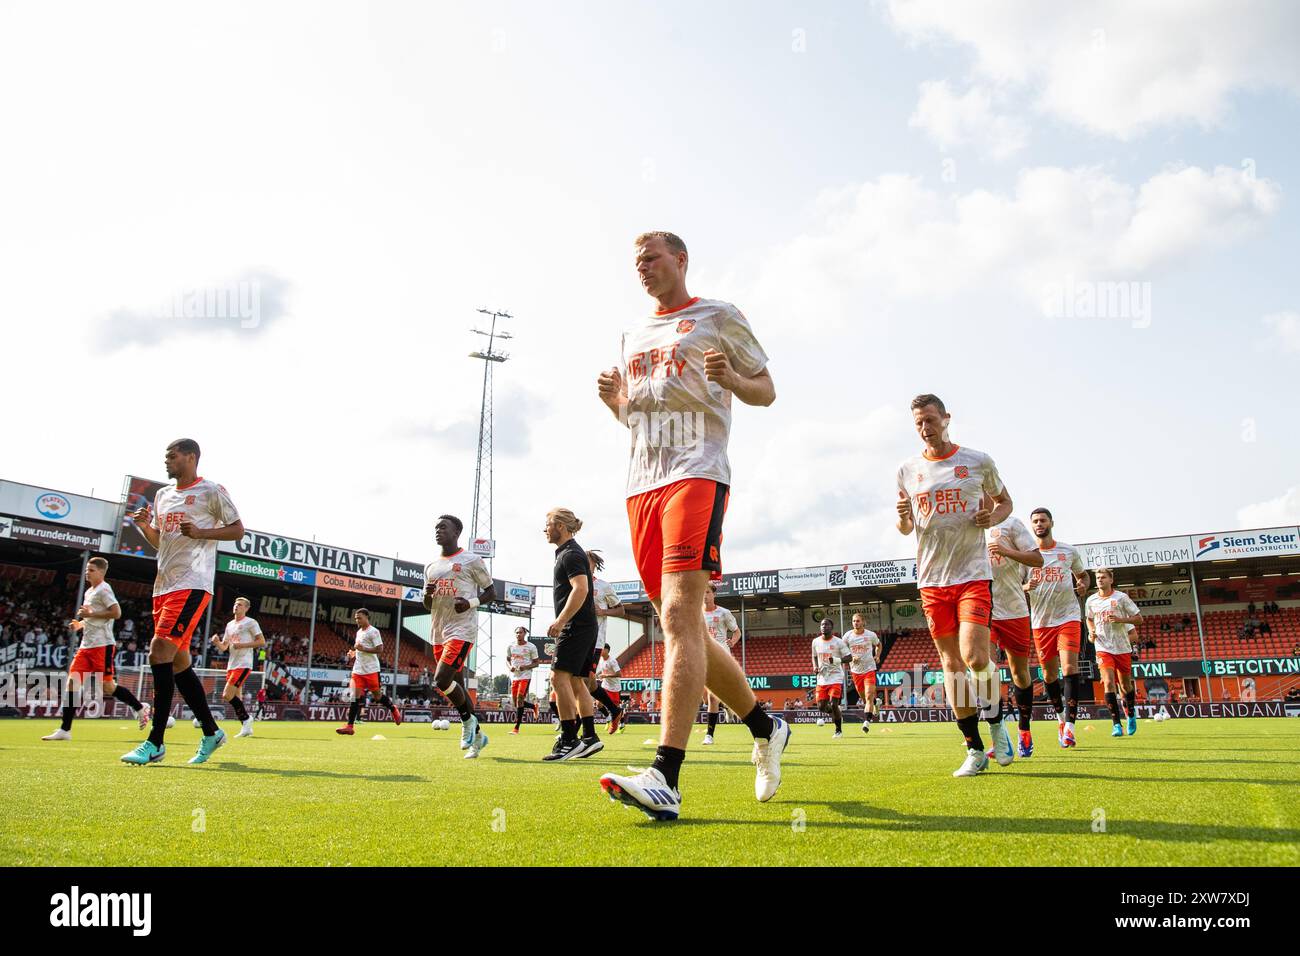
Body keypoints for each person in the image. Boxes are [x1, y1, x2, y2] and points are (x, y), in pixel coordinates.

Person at [595, 230, 788, 821]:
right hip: (641, 486)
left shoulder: (718, 315)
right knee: (682, 626)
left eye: (651, 258)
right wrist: (614, 404)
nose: (642, 268)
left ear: (680, 260)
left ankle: (666, 774)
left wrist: (730, 378)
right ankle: (763, 724)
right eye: (636, 262)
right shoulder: (632, 334)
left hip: (697, 473)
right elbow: (638, 416)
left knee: (680, 616)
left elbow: (767, 391)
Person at [895, 395, 1014, 776]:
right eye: (918, 423)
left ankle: (996, 723)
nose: (925, 427)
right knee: (950, 664)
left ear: (946, 418)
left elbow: (1005, 503)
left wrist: (990, 516)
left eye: (930, 419)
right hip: (931, 580)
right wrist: (902, 519)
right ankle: (974, 749)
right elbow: (907, 527)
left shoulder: (977, 461)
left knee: (976, 658)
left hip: (972, 574)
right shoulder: (907, 470)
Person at [121, 438, 245, 766]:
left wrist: (202, 532)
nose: (167, 462)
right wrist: (144, 526)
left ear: (191, 458)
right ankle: (211, 731)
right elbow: (162, 542)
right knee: (177, 663)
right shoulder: (162, 495)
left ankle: (155, 742)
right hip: (163, 586)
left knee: (159, 650)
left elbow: (237, 530)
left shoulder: (211, 491)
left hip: (193, 584)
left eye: (172, 457)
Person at [42, 557, 151, 741]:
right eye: (87, 569)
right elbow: (94, 618)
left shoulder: (104, 589)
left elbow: (116, 613)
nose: (87, 572)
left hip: (103, 645)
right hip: (86, 646)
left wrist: (91, 614)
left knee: (108, 687)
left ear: (101, 572)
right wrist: (81, 624)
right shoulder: (89, 591)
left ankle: (140, 707)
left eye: (91, 570)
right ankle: (65, 730)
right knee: (72, 683)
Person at [1017, 508, 1091, 749]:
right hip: (1041, 622)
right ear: (1032, 526)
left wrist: (1082, 586)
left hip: (1068, 617)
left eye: (1043, 520)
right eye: (1035, 521)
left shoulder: (1068, 551)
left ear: (1051, 523)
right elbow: (1016, 586)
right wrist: (1028, 586)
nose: (1039, 524)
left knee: (1069, 668)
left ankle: (1070, 727)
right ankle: (1060, 720)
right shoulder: (1027, 556)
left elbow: (1083, 576)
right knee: (1049, 676)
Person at [422, 515, 494, 757]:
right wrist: (428, 595)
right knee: (458, 686)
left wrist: (471, 602)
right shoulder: (430, 567)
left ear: (456, 532)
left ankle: (466, 723)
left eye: (443, 527)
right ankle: (479, 738)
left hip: (462, 630)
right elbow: (426, 605)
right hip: (439, 632)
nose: (438, 530)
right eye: (436, 527)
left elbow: (491, 592)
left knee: (441, 680)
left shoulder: (472, 560)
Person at [542, 508, 604, 760]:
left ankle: (569, 739)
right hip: (585, 625)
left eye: (548, 524)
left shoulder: (570, 554)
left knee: (558, 679)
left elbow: (580, 589)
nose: (545, 529)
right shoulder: (570, 553)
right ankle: (589, 736)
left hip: (576, 626)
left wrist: (560, 620)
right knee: (577, 682)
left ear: (560, 526)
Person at [986, 514, 1043, 758]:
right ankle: (999, 737)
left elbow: (1037, 559)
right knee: (985, 670)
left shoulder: (1010, 524)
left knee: (1019, 673)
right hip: (982, 611)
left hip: (1014, 611)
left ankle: (1024, 730)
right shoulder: (965, 524)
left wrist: (1006, 551)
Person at [1085, 569, 1143, 737]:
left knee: (1125, 686)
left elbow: (1139, 619)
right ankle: (1116, 724)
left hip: (1122, 648)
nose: (1099, 580)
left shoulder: (1121, 598)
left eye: (1103, 577)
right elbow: (1089, 619)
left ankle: (1131, 714)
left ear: (1111, 579)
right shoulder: (1091, 600)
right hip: (1103, 648)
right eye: (1097, 578)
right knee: (1109, 683)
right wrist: (1091, 631)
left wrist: (1121, 620)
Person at [335, 609, 404, 736]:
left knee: (378, 697)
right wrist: (354, 653)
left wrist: (363, 649)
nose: (357, 620)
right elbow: (360, 649)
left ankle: (393, 709)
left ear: (366, 617)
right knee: (354, 697)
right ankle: (350, 726)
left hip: (372, 670)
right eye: (356, 618)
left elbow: (380, 649)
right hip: (358, 670)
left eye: (359, 618)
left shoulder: (373, 631)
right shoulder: (358, 632)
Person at [211, 596, 265, 737]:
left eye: (240, 605)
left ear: (246, 608)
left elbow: (261, 641)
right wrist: (217, 642)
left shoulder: (251, 623)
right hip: (231, 665)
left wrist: (242, 645)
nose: (236, 606)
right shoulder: (230, 625)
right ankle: (246, 727)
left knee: (226, 695)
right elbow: (224, 647)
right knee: (235, 697)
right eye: (235, 604)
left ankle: (247, 719)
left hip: (244, 663)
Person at [586, 550, 626, 731]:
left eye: (588, 561)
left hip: (594, 641)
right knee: (584, 682)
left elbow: (620, 610)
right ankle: (613, 710)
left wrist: (603, 612)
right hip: (576, 639)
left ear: (595, 565)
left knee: (585, 682)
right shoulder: (572, 584)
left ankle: (580, 731)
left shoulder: (603, 586)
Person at [701, 584, 740, 744]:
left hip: (720, 656)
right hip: (702, 657)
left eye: (708, 592)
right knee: (704, 699)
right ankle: (726, 706)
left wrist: (733, 641)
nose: (704, 596)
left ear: (714, 594)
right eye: (702, 592)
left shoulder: (724, 613)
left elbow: (737, 631)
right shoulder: (696, 613)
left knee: (712, 697)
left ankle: (709, 735)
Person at [810, 618, 850, 737]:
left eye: (826, 625)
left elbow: (849, 657)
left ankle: (838, 730)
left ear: (831, 627)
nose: (824, 626)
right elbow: (814, 656)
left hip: (835, 677)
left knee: (833, 703)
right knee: (821, 707)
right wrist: (815, 666)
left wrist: (837, 660)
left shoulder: (838, 642)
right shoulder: (815, 642)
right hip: (822, 678)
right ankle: (837, 714)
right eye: (822, 625)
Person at [843, 612, 882, 733]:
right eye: (854, 621)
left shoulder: (870, 635)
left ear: (863, 622)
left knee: (869, 695)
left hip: (869, 669)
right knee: (865, 698)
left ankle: (867, 722)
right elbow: (842, 650)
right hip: (855, 671)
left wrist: (878, 655)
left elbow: (879, 645)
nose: (856, 623)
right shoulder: (848, 636)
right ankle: (877, 703)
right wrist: (851, 657)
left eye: (858, 621)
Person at [507, 626, 539, 735]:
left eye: (520, 632)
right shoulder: (511, 646)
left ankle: (516, 728)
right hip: (515, 677)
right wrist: (510, 666)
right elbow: (507, 659)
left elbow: (536, 663)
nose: (518, 634)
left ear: (524, 633)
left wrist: (525, 667)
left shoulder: (531, 647)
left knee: (520, 698)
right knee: (515, 702)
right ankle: (533, 706)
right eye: (516, 633)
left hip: (526, 675)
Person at [594, 644, 624, 732]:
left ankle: (621, 723)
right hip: (605, 685)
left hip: (614, 687)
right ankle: (608, 718)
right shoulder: (601, 660)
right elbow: (603, 671)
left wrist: (605, 676)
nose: (600, 651)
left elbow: (619, 674)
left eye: (602, 649)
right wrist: (597, 675)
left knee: (616, 707)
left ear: (607, 650)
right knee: (598, 704)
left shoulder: (612, 661)